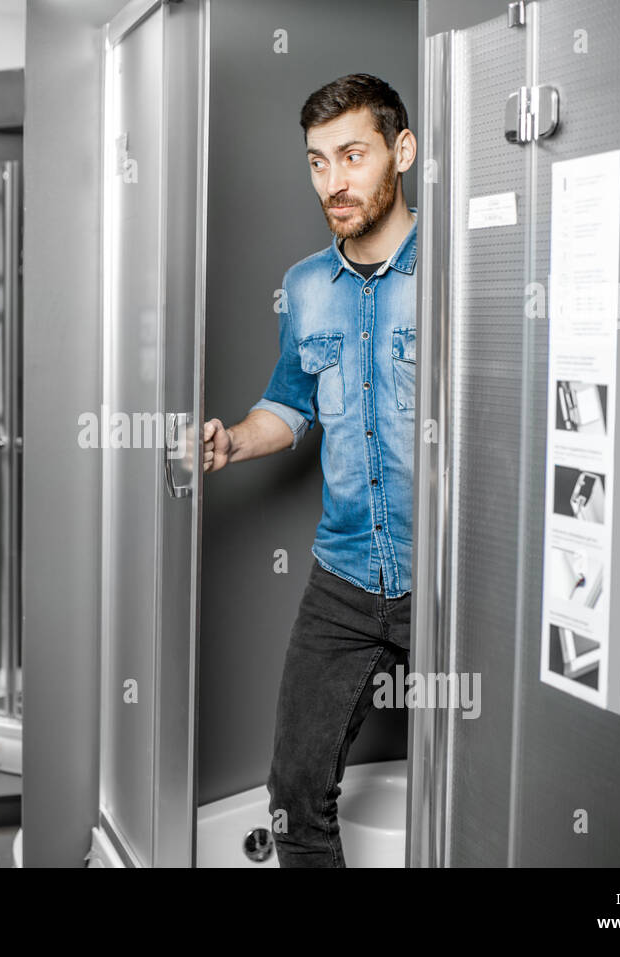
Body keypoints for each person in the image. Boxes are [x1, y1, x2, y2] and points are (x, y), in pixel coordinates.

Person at [201, 74, 419, 867]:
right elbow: (288, 406)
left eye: (353, 155)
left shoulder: (462, 270)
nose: (333, 181)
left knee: (489, 786)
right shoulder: (303, 288)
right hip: (346, 580)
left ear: (403, 150)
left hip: (453, 582)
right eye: (318, 161)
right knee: (294, 797)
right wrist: (233, 441)